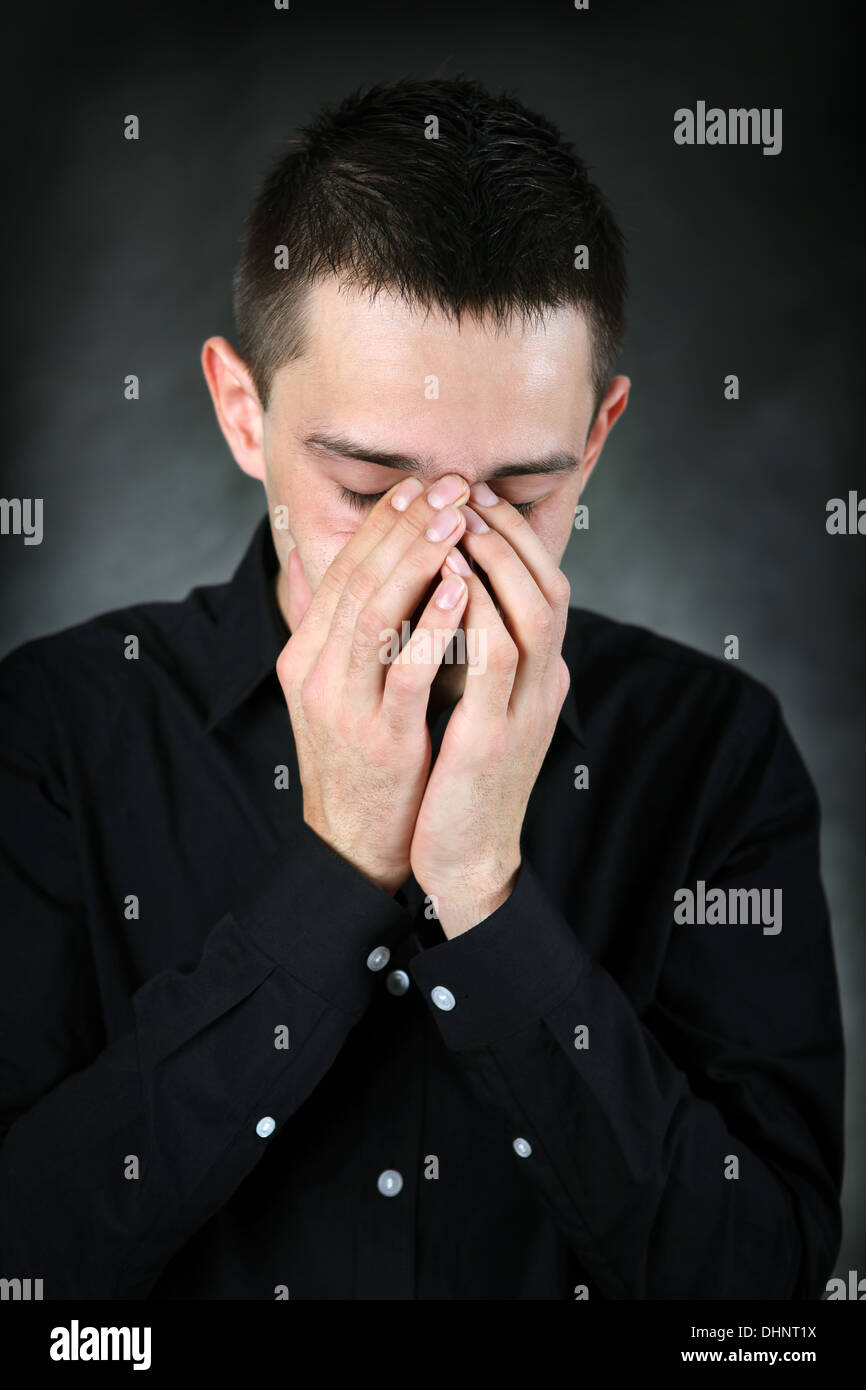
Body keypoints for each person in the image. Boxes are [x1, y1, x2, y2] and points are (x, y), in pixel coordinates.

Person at [0, 75, 843, 1300]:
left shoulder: (711, 749)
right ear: (244, 413)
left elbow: (762, 1295)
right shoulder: (53, 731)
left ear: (595, 440)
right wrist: (337, 873)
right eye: (365, 489)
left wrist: (486, 900)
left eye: (514, 496)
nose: (442, 558)